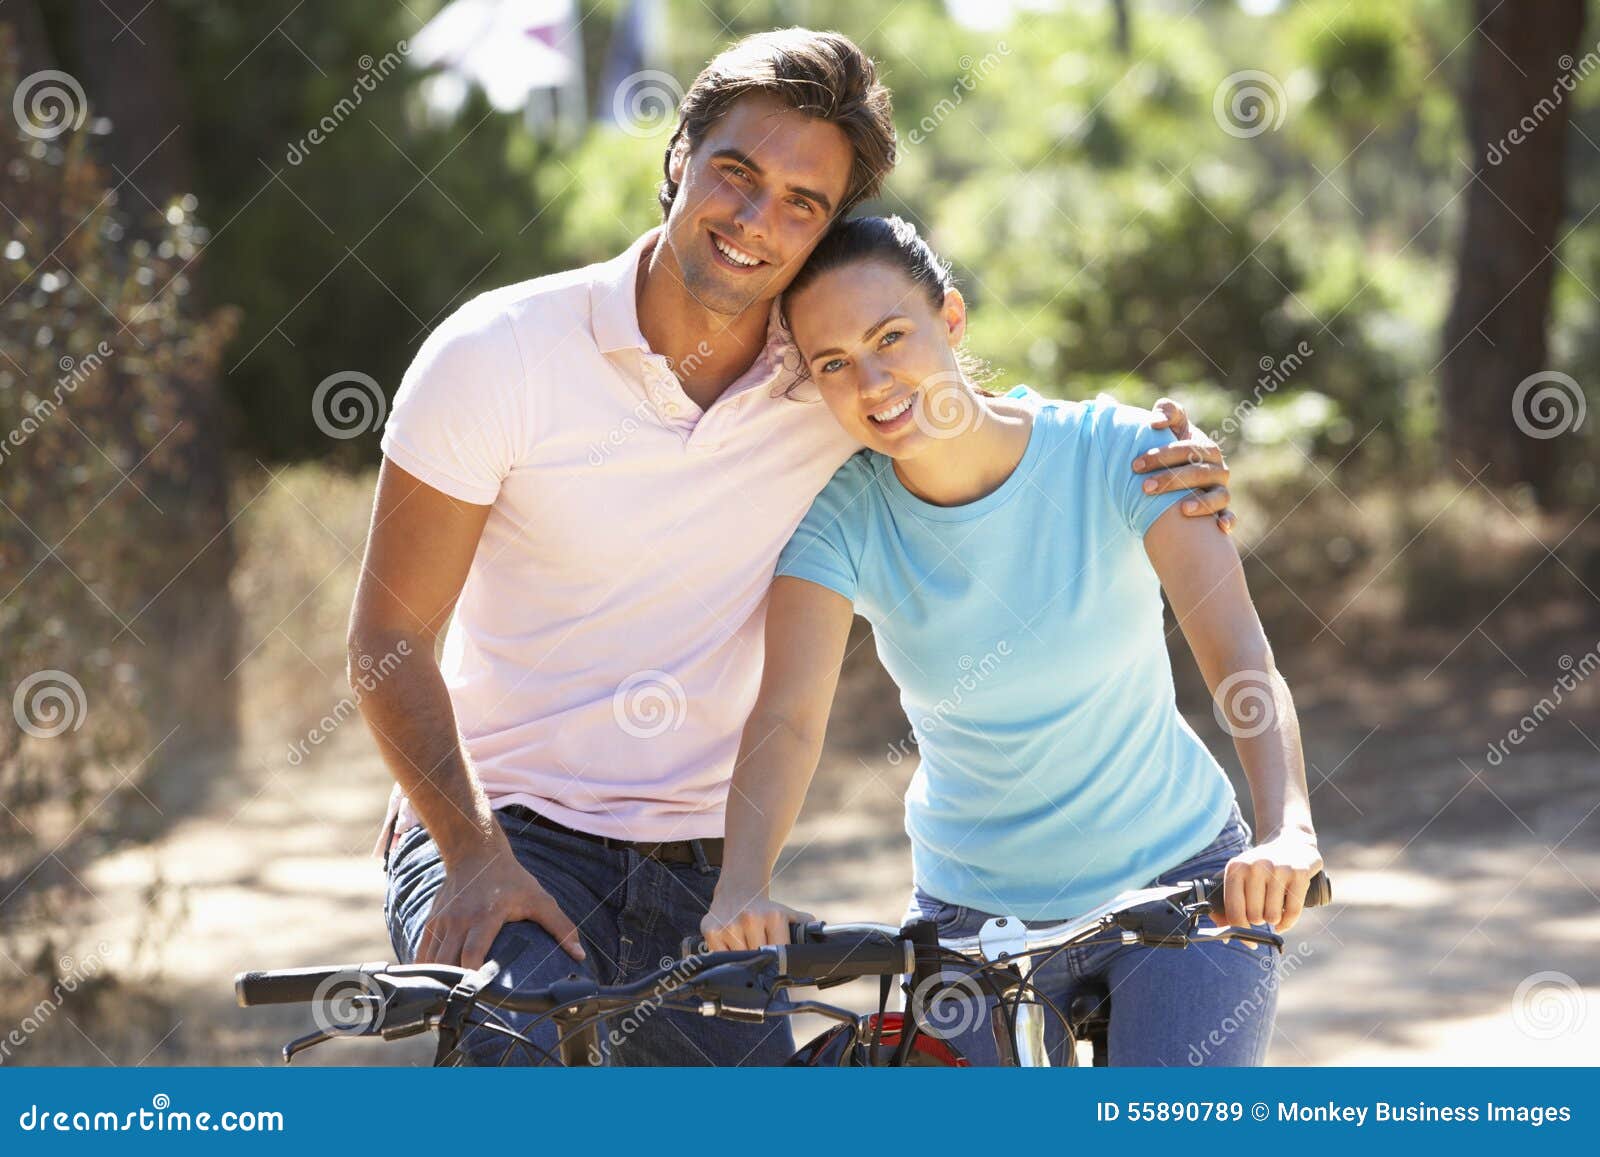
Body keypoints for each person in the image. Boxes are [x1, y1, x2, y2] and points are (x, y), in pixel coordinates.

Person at [353, 30, 1235, 1067]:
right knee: (526, 1056)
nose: (755, 219)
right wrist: (469, 853)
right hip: (507, 824)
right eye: (736, 173)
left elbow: (988, 428)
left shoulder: (829, 386)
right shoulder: (493, 356)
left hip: (704, 864)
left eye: (800, 204)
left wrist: (1164, 460)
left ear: (820, 234)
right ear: (679, 156)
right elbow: (390, 636)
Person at [701, 216, 1321, 1067]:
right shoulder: (841, 516)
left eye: (891, 336)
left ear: (949, 320)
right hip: (970, 918)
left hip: (1183, 886)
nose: (874, 381)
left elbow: (1241, 659)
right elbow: (789, 715)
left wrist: (1286, 829)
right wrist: (742, 881)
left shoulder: (1124, 453)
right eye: (834, 363)